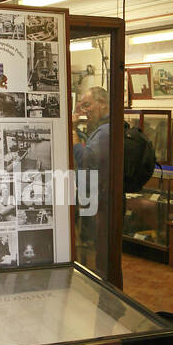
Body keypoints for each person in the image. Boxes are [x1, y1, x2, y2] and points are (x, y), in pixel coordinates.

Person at [73, 86, 109, 274]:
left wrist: (71, 130)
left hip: (98, 201)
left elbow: (84, 159)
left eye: (87, 105)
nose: (84, 111)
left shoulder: (105, 132)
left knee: (97, 249)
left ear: (102, 104)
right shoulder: (97, 131)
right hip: (91, 197)